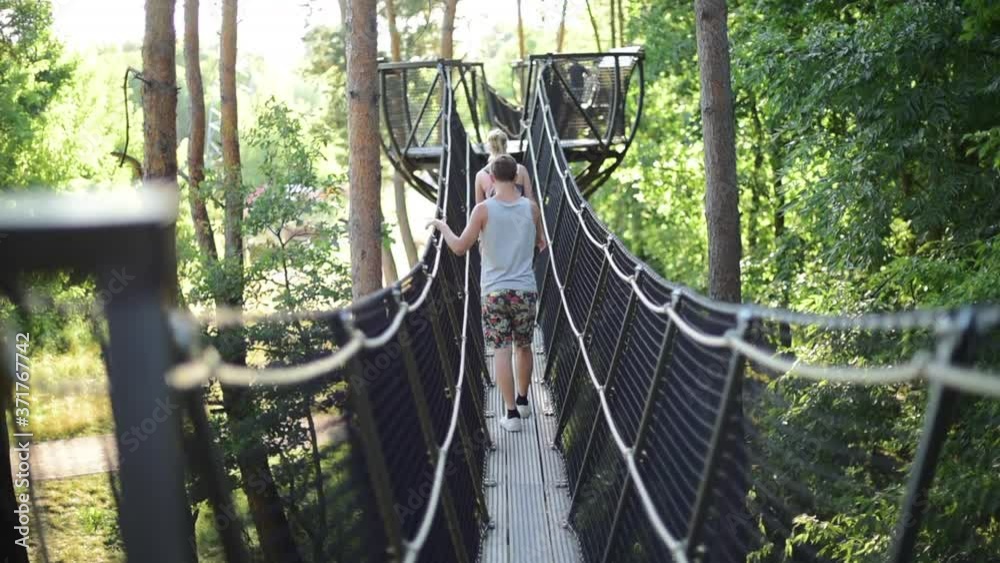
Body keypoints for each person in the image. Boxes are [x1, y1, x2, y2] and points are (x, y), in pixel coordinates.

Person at [430, 155, 546, 432]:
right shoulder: (532, 209)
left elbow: (459, 247)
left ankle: (511, 416)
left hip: (494, 292)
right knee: (524, 346)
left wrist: (442, 226)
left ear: (491, 179)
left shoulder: (482, 210)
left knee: (501, 351)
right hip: (525, 290)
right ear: (516, 178)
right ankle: (523, 400)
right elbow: (541, 244)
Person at [475, 129, 534, 204]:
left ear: (489, 148)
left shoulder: (480, 176)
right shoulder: (520, 169)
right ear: (506, 145)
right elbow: (530, 200)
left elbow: (479, 207)